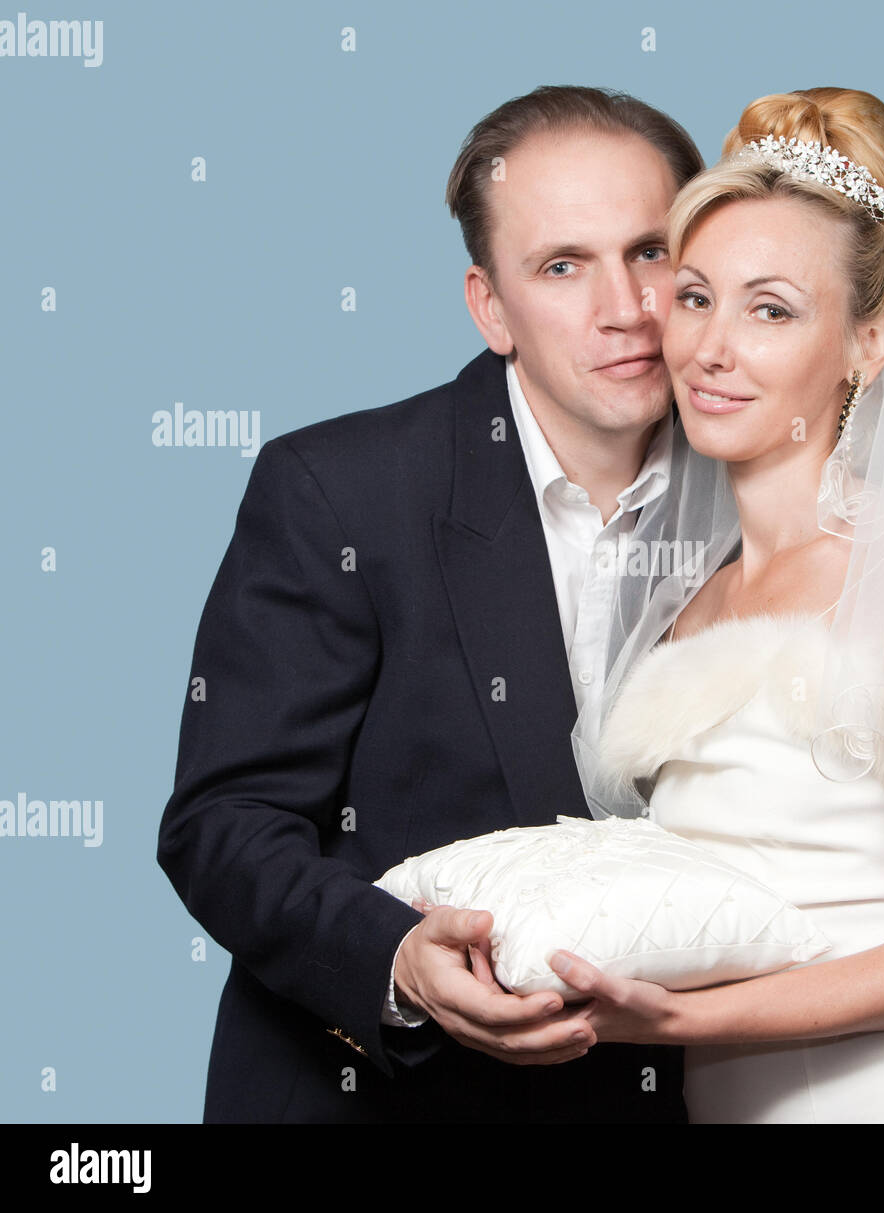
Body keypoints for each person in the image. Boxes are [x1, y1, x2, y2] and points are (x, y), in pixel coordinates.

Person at [155, 85, 707, 1123]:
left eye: (649, 250)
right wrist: (399, 961)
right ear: (488, 304)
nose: (625, 309)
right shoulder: (338, 491)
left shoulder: (781, 497)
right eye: (561, 264)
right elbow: (225, 824)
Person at [554, 87, 884, 1122]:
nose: (711, 349)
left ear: (869, 344)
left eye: (771, 309)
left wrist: (681, 1025)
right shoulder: (695, 598)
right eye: (695, 296)